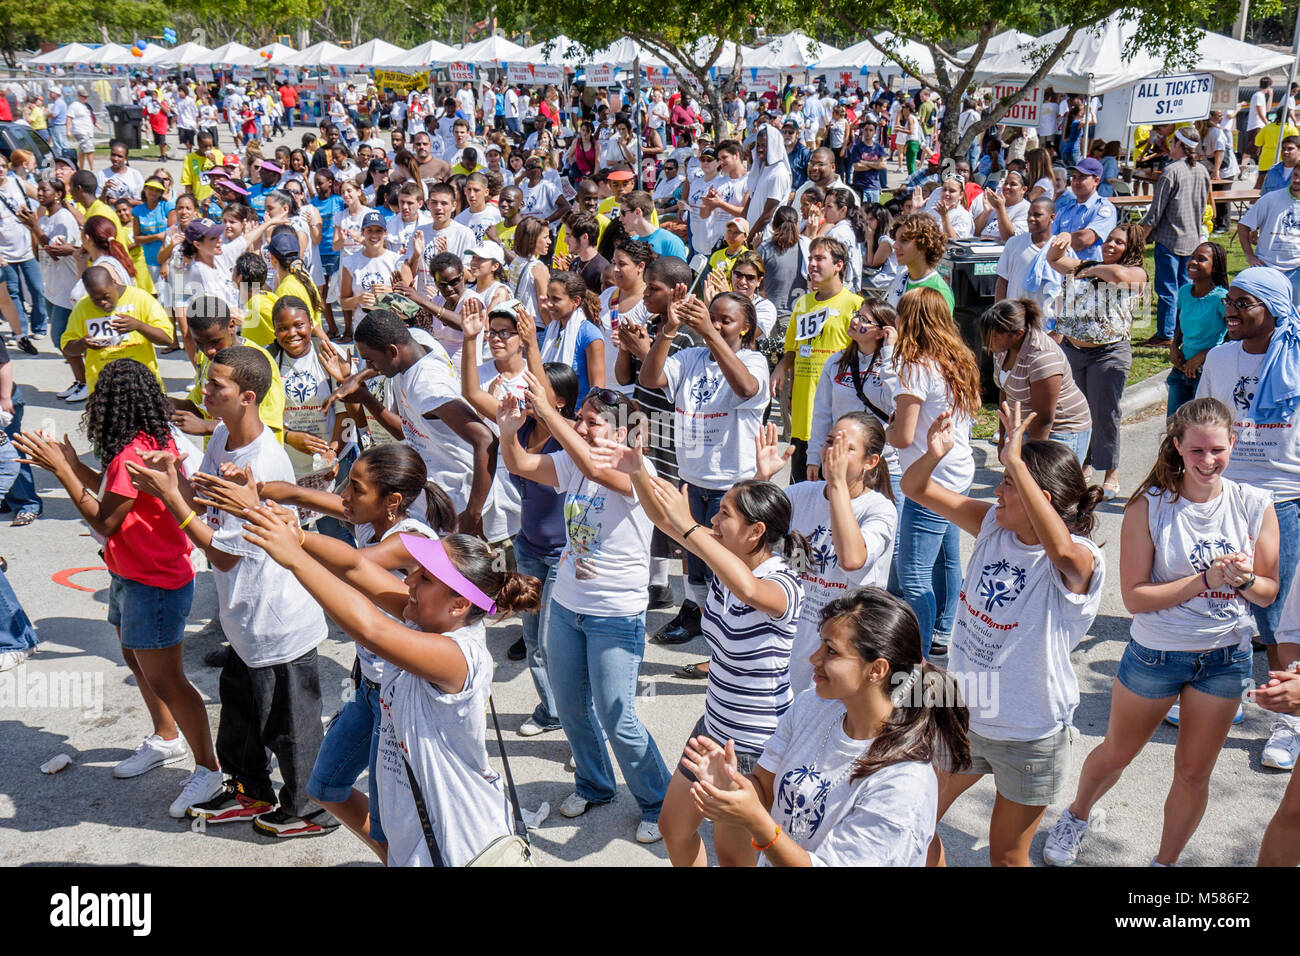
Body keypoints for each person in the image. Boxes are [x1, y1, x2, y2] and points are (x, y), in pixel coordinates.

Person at [1043, 398, 1279, 866]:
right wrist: (1206, 580)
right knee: (1116, 754)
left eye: (1217, 450)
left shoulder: (1254, 503)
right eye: (1197, 451)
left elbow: (1268, 593)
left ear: (1233, 443)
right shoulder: (1148, 507)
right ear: (1177, 446)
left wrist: (1246, 580)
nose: (1208, 461)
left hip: (1225, 660)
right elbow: (1135, 598)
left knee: (1194, 775)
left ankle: (1164, 863)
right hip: (1157, 655)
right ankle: (1076, 815)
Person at [125, 345, 339, 837]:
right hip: (242, 616)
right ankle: (248, 790)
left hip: (278, 622)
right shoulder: (223, 433)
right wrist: (175, 472)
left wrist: (171, 498)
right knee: (240, 713)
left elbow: (222, 553)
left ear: (247, 396)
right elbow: (205, 499)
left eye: (215, 385)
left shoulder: (266, 464)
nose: (205, 390)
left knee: (290, 727)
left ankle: (309, 812)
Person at [14, 360, 223, 818]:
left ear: (108, 405)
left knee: (168, 678)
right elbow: (115, 495)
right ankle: (166, 738)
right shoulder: (147, 441)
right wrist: (72, 465)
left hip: (156, 582)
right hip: (130, 574)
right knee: (135, 656)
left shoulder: (132, 452)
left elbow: (105, 521)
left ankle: (208, 770)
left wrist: (61, 472)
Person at [904, 402, 1104, 866]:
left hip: (1030, 734)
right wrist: (934, 453)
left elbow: (1059, 549)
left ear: (1042, 499)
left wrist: (1017, 459)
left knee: (1008, 857)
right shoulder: (994, 523)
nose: (997, 491)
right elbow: (916, 488)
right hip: (966, 718)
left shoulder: (1082, 559)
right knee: (914, 822)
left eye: (1008, 485)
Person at [591, 434, 805, 866]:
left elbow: (745, 587)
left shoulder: (784, 584)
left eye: (724, 513)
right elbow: (667, 522)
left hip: (755, 744)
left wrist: (688, 526)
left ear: (756, 532)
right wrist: (637, 471)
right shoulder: (727, 554)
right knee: (673, 826)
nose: (713, 518)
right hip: (712, 726)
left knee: (732, 856)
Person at [497, 375, 672, 844]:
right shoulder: (573, 461)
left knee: (619, 716)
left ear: (622, 433)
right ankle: (595, 785)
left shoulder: (641, 472)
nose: (581, 427)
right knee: (573, 707)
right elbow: (520, 463)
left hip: (615, 613)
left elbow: (597, 473)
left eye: (592, 422)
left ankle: (659, 801)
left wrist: (549, 414)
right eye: (580, 418)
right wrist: (507, 426)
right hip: (569, 606)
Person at [682, 586, 971, 866]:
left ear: (877, 669)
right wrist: (731, 786)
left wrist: (757, 821)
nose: (814, 659)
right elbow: (766, 790)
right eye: (821, 643)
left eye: (831, 651)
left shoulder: (904, 782)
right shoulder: (811, 706)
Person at [1195, 267, 1300, 769]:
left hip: (1286, 500)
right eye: (1229, 301)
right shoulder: (1220, 356)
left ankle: (1290, 719)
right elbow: (1204, 422)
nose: (1230, 310)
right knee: (1225, 600)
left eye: (1243, 303)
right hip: (1231, 498)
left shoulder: (1298, 359)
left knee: (1281, 617)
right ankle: (1227, 695)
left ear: (1273, 310)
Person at [639, 292, 768, 616]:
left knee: (724, 566)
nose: (717, 325)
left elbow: (745, 388)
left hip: (732, 483)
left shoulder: (754, 361)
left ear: (746, 327)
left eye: (727, 321)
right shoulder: (691, 357)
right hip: (692, 477)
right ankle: (700, 618)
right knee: (695, 561)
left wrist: (710, 334)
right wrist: (669, 329)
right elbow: (649, 378)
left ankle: (728, 630)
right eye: (713, 318)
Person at [887, 287, 983, 657]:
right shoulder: (958, 359)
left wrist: (882, 429)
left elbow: (903, 436)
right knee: (947, 557)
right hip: (958, 469)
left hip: (929, 477)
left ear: (909, 321)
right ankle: (944, 631)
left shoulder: (914, 366)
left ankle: (917, 661)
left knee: (913, 575)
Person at [338, 310, 494, 534]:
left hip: (460, 500)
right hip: (435, 495)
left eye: (370, 360)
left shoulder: (426, 387)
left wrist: (473, 512)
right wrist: (358, 382)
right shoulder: (416, 343)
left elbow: (486, 439)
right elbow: (406, 432)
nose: (369, 367)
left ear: (392, 351)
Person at [1047, 224, 1149, 498]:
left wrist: (1088, 269)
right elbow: (1054, 261)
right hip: (1073, 350)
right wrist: (1061, 243)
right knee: (1075, 413)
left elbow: (1116, 275)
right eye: (1108, 241)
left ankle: (1111, 472)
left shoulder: (1136, 273)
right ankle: (1082, 464)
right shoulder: (1089, 264)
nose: (1110, 246)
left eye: (1119, 243)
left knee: (1104, 414)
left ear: (1132, 248)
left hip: (1109, 353)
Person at [769, 237, 863, 481]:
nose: (812, 264)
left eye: (820, 258)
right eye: (810, 258)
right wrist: (781, 368)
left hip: (834, 419)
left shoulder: (855, 306)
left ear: (839, 266)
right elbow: (793, 350)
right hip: (802, 418)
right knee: (801, 494)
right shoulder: (802, 304)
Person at [981, 299, 1093, 461]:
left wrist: (1028, 461)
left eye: (993, 336)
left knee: (1044, 484)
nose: (986, 342)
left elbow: (1043, 419)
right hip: (1027, 426)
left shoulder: (1043, 357)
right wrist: (1003, 440)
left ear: (1018, 334)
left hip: (1061, 430)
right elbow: (1006, 393)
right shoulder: (1002, 348)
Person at [1140, 129, 1211, 348]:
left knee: (1168, 290)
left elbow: (1155, 211)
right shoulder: (1202, 171)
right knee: (1186, 290)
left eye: (1172, 142)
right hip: (1191, 238)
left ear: (1178, 144)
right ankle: (1183, 332)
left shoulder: (1171, 171)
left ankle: (1165, 333)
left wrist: (1140, 238)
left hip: (1170, 238)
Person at [60, 266, 173, 394]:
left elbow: (167, 339)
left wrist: (139, 326)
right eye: (95, 299)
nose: (103, 302)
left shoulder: (142, 299)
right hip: (103, 387)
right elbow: (67, 348)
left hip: (142, 383)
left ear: (114, 283)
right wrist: (82, 343)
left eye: (106, 296)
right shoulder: (83, 307)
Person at [1166, 243, 1228, 415]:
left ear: (1215, 267)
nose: (1193, 262)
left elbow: (1233, 338)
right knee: (1174, 426)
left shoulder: (1221, 298)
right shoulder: (1185, 292)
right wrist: (1173, 346)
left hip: (1206, 372)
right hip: (1182, 368)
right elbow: (1181, 323)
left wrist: (1202, 356)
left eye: (1201, 259)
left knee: (1198, 424)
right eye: (1192, 257)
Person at [538, 271, 605, 397]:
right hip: (548, 408)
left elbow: (597, 387)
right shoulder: (551, 330)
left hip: (576, 412)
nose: (549, 304)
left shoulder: (589, 335)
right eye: (548, 297)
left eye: (556, 299)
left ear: (575, 301)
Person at [994, 198, 1059, 327]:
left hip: (1046, 326)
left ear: (1051, 217)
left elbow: (1066, 292)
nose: (1031, 218)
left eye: (1037, 215)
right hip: (1015, 323)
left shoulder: (1060, 248)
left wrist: (1059, 330)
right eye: (1029, 214)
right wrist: (999, 316)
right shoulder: (1014, 243)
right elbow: (1002, 282)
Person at [1239, 165, 1300, 300]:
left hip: (1296, 270)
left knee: (1294, 315)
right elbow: (1243, 225)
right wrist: (1249, 255)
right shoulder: (1271, 199)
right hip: (1266, 266)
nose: (1297, 180)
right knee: (1264, 313)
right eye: (1295, 175)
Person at [882, 213, 955, 313]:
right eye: (896, 239)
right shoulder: (901, 279)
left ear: (924, 243)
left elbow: (938, 329)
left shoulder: (939, 292)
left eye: (904, 240)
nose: (895, 245)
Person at [1051, 157, 1119, 263]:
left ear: (1096, 181)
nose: (1076, 182)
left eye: (1082, 178)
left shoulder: (1104, 208)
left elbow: (1085, 239)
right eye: (1074, 177)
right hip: (1065, 271)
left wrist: (1062, 240)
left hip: (1089, 273)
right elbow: (1050, 237)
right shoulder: (1066, 209)